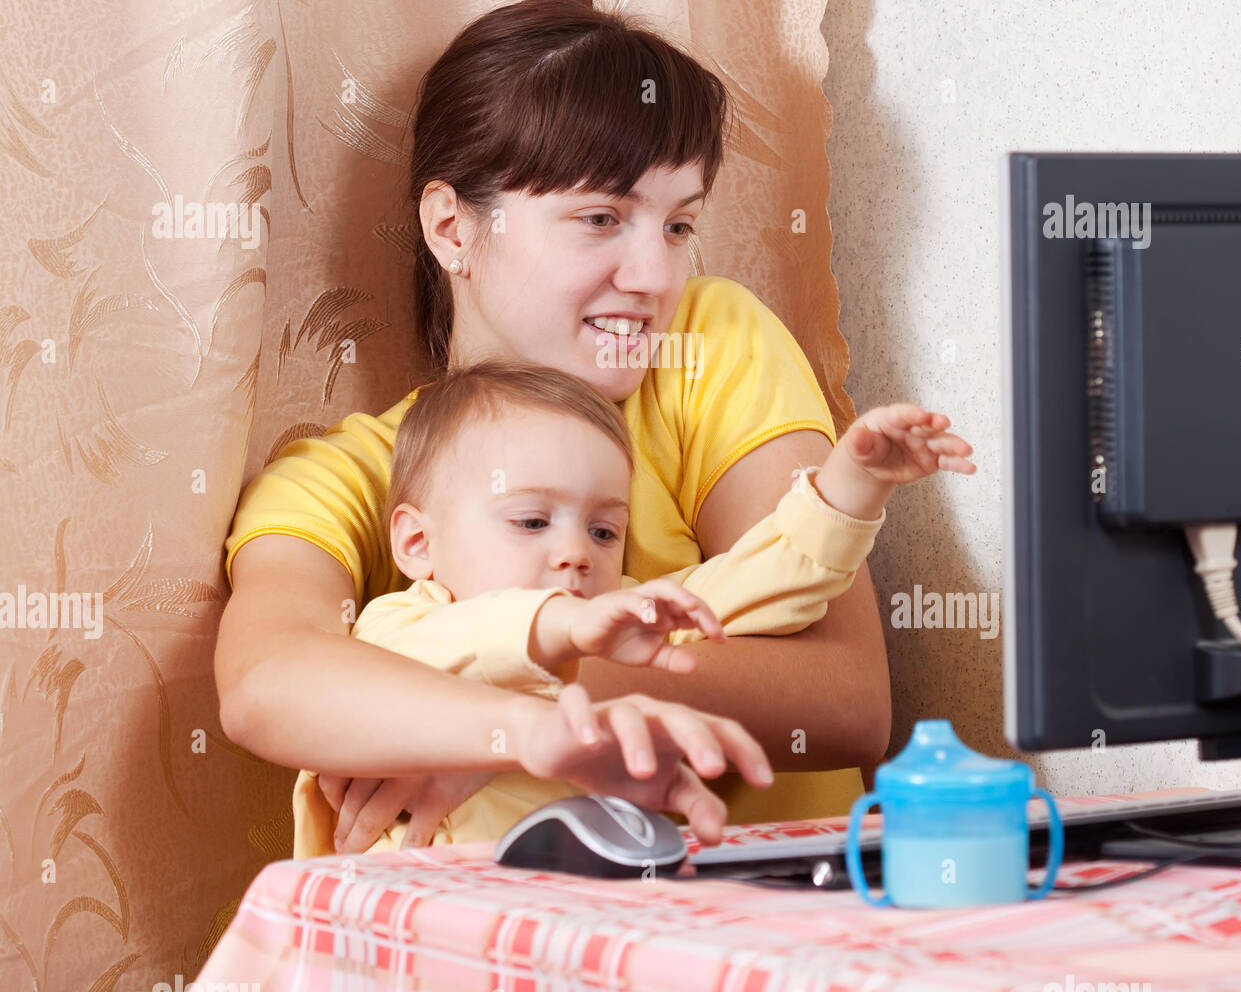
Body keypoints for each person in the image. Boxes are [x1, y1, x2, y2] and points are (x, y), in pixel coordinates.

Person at [216, 0, 927, 854]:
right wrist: (516, 733)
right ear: (452, 228)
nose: (654, 274)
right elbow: (266, 681)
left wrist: (449, 715)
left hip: (781, 917)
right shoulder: (356, 472)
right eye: (601, 218)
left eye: (679, 224)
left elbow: (848, 702)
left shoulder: (703, 344)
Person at [290, 361, 971, 855]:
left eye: (603, 530)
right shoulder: (391, 629)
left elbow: (755, 585)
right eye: (531, 522)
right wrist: (559, 627)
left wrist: (850, 488)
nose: (575, 554)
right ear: (416, 543)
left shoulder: (613, 614)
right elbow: (450, 657)